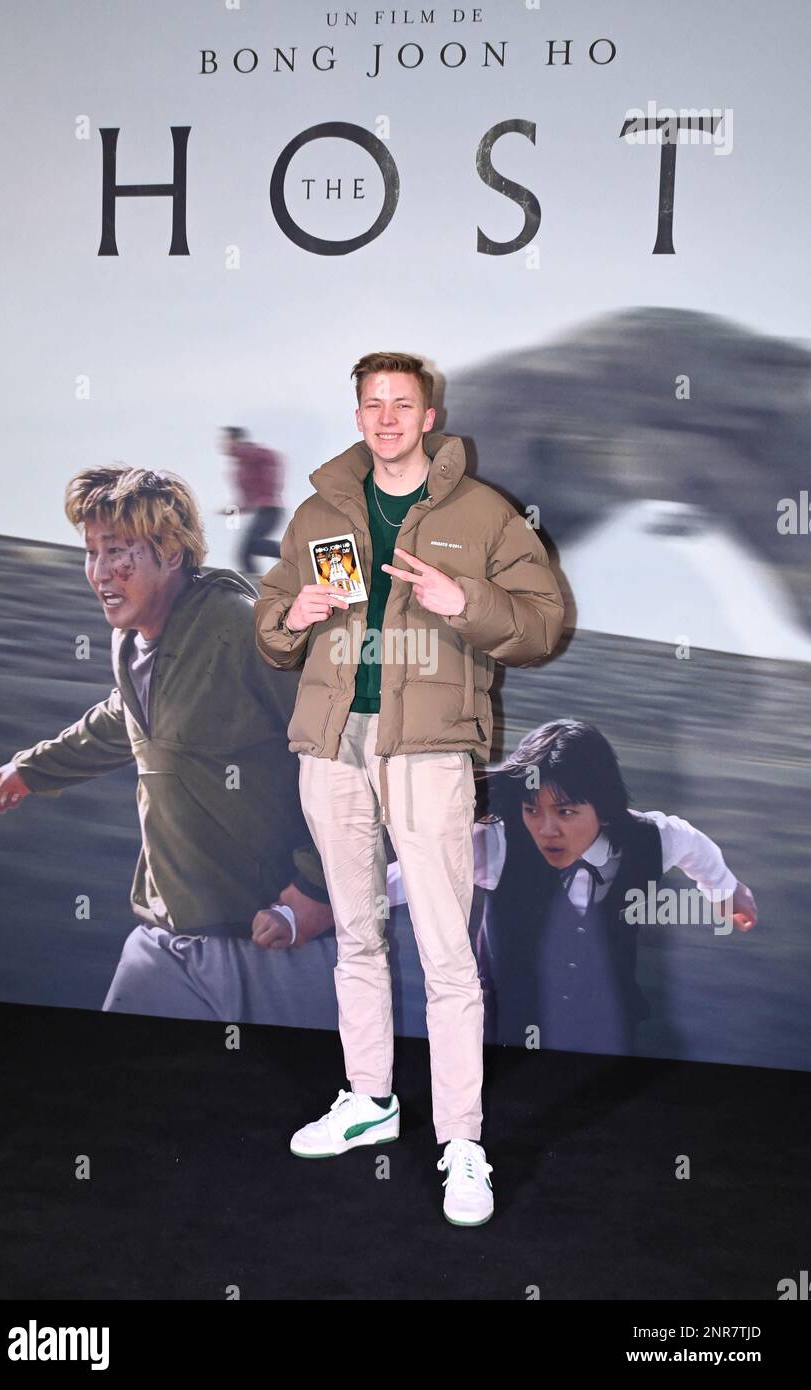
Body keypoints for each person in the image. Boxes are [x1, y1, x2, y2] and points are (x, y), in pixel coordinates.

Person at [253, 350, 566, 1225]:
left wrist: (461, 597)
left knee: (446, 956)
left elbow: (541, 625)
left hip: (426, 750)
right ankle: (368, 1100)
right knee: (356, 935)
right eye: (371, 404)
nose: (386, 418)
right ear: (357, 415)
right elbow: (270, 627)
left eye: (403, 404)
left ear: (429, 416)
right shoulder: (320, 509)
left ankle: (462, 1142)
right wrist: (293, 616)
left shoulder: (483, 512)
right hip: (330, 745)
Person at [0, 466, 336, 1024]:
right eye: (91, 552)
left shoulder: (245, 632)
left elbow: (344, 746)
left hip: (270, 938)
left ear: (171, 552)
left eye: (117, 551)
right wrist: (33, 770)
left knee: (298, 1104)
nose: (100, 572)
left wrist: (317, 891)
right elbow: (125, 720)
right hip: (167, 936)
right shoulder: (133, 643)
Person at [477, 719, 758, 1054]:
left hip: (607, 1042)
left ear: (604, 809)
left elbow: (690, 843)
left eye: (566, 812)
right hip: (505, 1043)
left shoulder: (649, 840)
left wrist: (725, 889)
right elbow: (413, 874)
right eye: (531, 809)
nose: (546, 829)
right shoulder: (495, 845)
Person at [220, 426, 284, 575]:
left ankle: (292, 555)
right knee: (244, 552)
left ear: (236, 440)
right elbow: (247, 502)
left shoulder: (250, 454)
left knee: (252, 544)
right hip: (262, 510)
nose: (223, 445)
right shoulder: (239, 468)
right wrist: (232, 509)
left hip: (271, 510)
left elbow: (273, 458)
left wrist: (274, 486)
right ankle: (254, 582)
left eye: (226, 440)